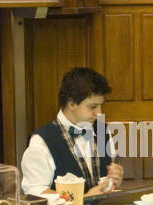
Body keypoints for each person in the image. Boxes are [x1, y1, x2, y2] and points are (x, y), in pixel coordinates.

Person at [20, 67, 123, 198]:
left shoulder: (103, 130)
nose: (100, 113)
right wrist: (81, 199)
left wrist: (115, 178)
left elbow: (107, 176)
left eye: (101, 105)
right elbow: (35, 191)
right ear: (72, 103)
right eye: (93, 107)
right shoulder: (42, 142)